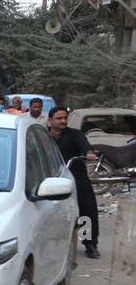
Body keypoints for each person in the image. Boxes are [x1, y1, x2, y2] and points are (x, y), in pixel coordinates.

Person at [48, 105, 100, 259]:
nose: (63, 121)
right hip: (50, 178)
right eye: (59, 118)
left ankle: (90, 243)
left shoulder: (75, 134)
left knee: (86, 209)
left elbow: (85, 146)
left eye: (65, 118)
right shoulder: (43, 136)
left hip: (76, 177)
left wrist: (89, 153)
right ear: (50, 121)